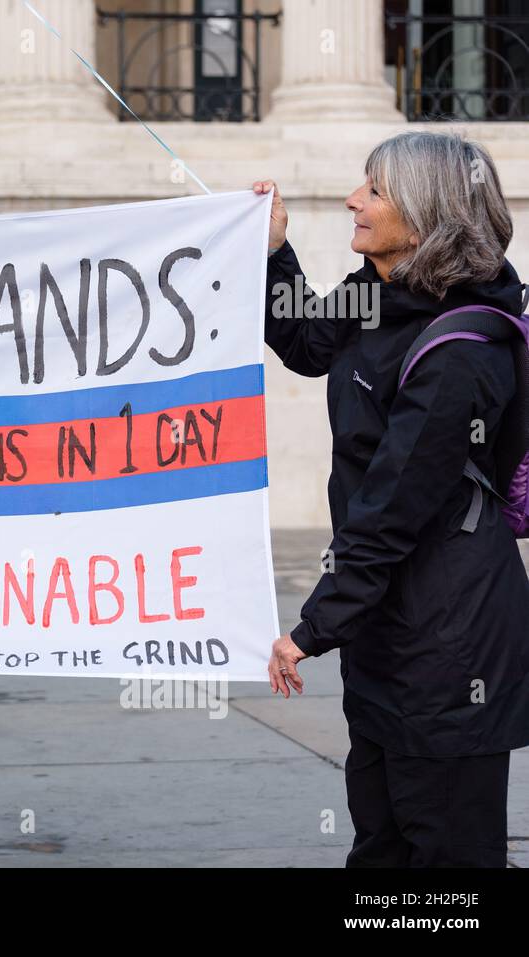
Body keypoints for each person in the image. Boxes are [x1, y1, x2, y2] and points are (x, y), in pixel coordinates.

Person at [257, 130, 529, 867]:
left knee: (448, 852)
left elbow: (392, 508)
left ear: (424, 211)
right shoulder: (381, 290)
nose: (353, 198)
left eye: (374, 190)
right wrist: (274, 249)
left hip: (451, 635)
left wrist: (313, 628)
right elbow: (309, 342)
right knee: (383, 839)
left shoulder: (460, 347)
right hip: (390, 623)